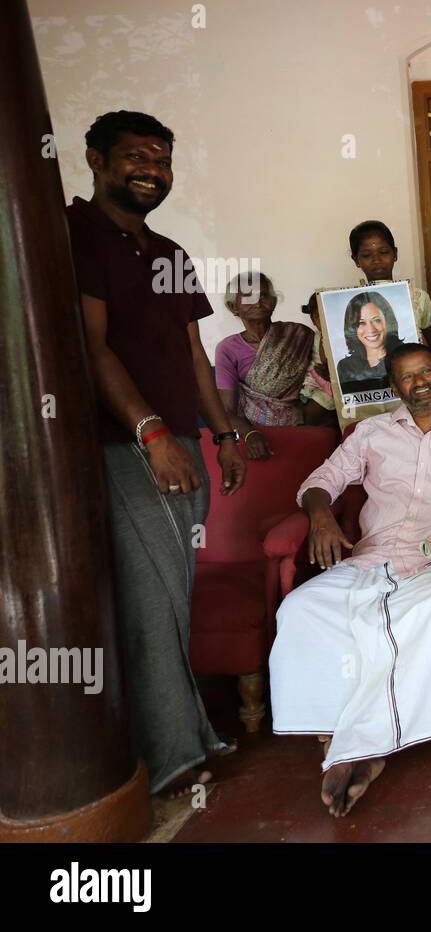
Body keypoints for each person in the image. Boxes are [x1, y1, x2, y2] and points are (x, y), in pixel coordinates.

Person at [70, 110, 246, 796]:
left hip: (181, 443)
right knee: (150, 603)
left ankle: (186, 732)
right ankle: (168, 756)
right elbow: (91, 346)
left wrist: (223, 433)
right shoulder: (77, 236)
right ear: (95, 158)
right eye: (136, 156)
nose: (151, 168)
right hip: (130, 448)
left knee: (170, 598)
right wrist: (150, 431)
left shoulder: (168, 251)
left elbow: (193, 354)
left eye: (162, 158)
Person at [269, 344, 431, 818]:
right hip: (368, 560)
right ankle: (348, 735)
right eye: (408, 377)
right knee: (300, 609)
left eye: (427, 371)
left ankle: (358, 747)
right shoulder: (371, 432)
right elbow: (320, 480)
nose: (421, 382)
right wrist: (322, 516)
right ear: (395, 387)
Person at [215, 271, 315, 459]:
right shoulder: (227, 349)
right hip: (255, 431)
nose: (258, 301)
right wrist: (250, 434)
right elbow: (225, 410)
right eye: (248, 296)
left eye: (263, 295)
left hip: (303, 426)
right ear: (232, 307)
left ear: (274, 301)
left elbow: (321, 381)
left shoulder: (299, 335)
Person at [349, 219, 431, 345]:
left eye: (383, 252)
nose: (376, 260)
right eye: (366, 255)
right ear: (356, 260)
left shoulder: (417, 298)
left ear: (395, 254)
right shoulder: (353, 305)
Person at [335, 290, 403, 394]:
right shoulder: (345, 367)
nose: (371, 329)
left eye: (376, 320)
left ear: (388, 322)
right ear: (352, 328)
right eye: (361, 323)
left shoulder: (405, 356)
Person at [299, 292, 339, 428]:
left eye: (328, 314)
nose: (324, 320)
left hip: (332, 384)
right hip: (314, 380)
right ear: (312, 320)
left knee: (314, 409)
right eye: (318, 316)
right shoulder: (316, 336)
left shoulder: (340, 336)